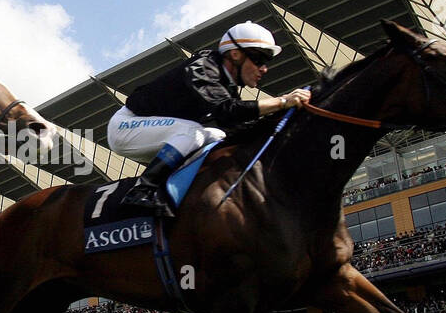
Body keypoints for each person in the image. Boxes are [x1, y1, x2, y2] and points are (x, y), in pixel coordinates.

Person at [107, 22, 312, 216]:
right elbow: (226, 111)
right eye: (259, 60)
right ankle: (142, 191)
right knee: (194, 133)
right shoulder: (203, 67)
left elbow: (240, 126)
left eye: (267, 63)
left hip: (156, 132)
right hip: (126, 127)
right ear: (235, 54)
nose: (264, 69)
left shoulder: (226, 86)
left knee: (217, 135)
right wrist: (283, 102)